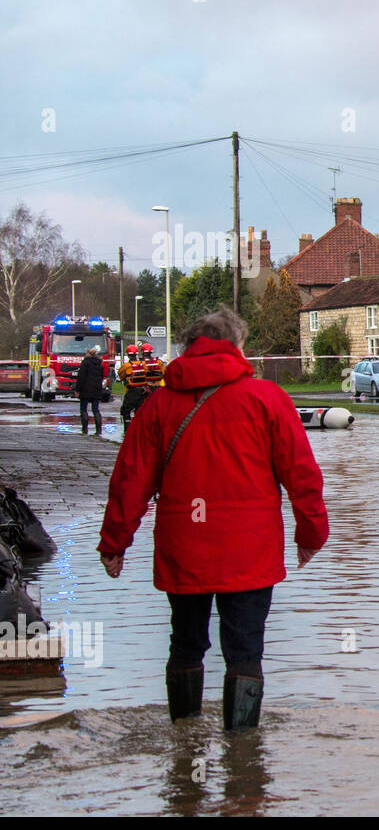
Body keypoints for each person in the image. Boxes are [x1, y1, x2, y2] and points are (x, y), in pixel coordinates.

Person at [97, 307, 329, 730]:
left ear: (188, 348)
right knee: (245, 650)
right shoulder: (267, 399)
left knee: (185, 644)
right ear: (237, 346)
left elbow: (129, 482)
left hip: (183, 546)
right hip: (250, 550)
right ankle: (243, 756)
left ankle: (184, 748)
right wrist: (311, 533)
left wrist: (114, 544)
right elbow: (302, 475)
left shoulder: (157, 406)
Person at [118, 344, 150, 429]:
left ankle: (127, 428)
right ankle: (139, 428)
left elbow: (120, 375)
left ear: (128, 354)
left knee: (126, 411)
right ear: (136, 354)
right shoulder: (143, 364)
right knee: (139, 411)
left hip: (131, 391)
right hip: (142, 391)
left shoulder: (126, 366)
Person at [75, 345, 104, 435]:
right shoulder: (100, 364)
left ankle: (85, 429)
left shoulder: (85, 363)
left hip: (85, 390)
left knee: (83, 409)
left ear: (88, 354)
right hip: (96, 390)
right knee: (96, 410)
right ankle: (98, 430)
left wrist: (77, 389)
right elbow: (101, 377)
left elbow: (81, 377)